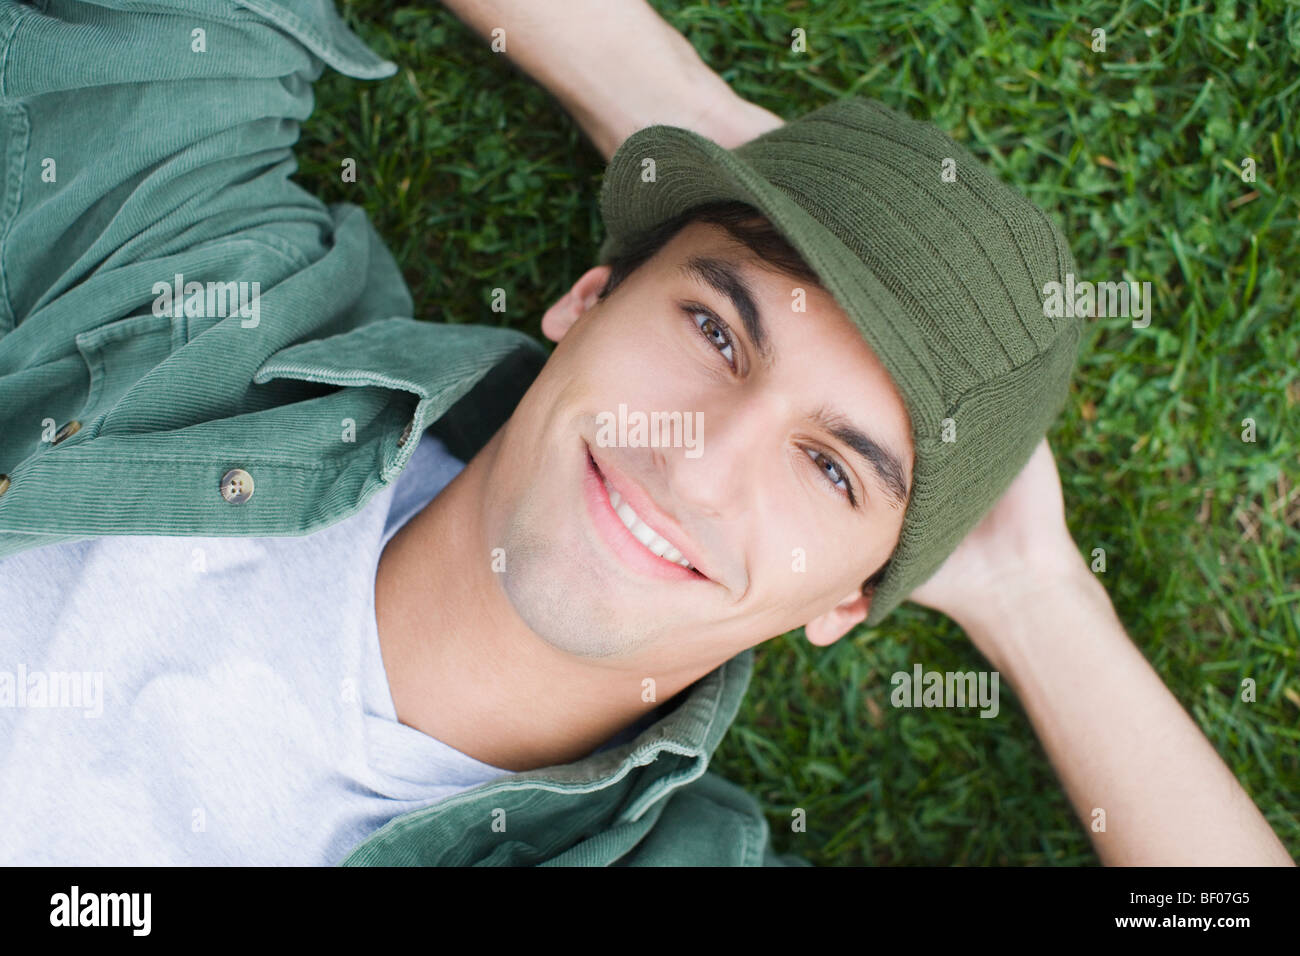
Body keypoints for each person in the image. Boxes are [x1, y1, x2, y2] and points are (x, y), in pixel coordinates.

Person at [0, 0, 1290, 867]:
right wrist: (664, 107)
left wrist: (1042, 598)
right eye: (717, 331)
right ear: (589, 298)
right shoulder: (215, 291)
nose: (703, 455)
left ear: (850, 602)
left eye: (833, 468)